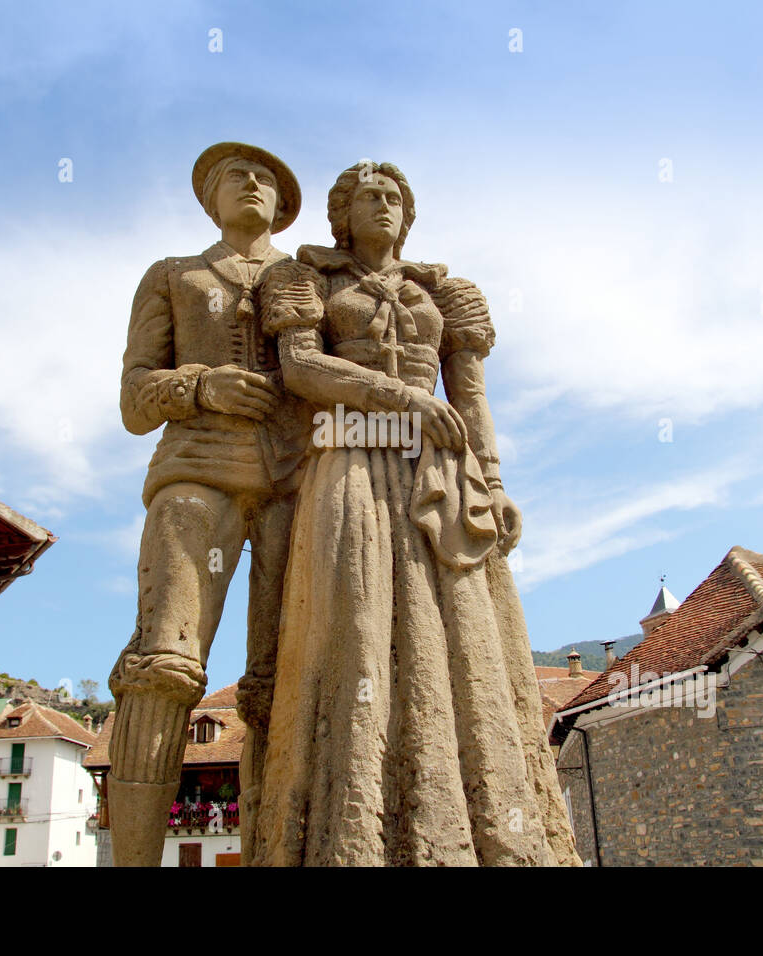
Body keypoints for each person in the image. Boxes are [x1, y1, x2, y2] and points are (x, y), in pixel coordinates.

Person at [251, 161, 580, 865]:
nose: (383, 205)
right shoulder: (306, 278)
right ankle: (355, 834)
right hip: (351, 455)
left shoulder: (446, 291)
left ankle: (481, 831)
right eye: (367, 196)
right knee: (355, 625)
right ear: (341, 214)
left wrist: (491, 480)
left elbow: (469, 392)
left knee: (465, 634)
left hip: (441, 469)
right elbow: (302, 368)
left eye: (394, 197)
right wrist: (402, 401)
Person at [106, 142, 309, 866]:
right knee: (164, 667)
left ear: (282, 205)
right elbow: (134, 399)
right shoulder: (174, 275)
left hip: (298, 483)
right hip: (197, 473)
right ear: (210, 199)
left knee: (284, 681)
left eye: (265, 179)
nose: (252, 184)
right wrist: (199, 386)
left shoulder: (310, 276)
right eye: (237, 176)